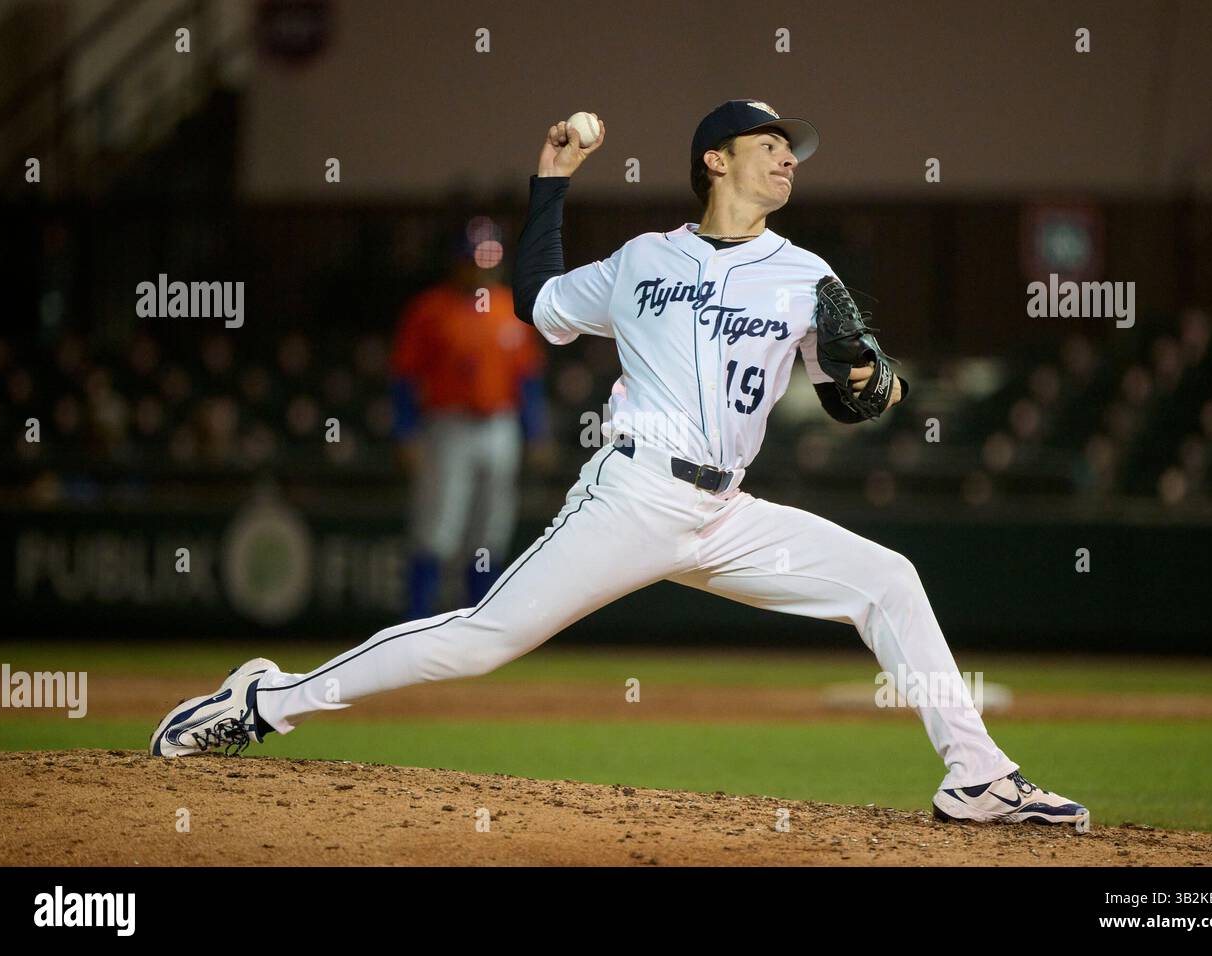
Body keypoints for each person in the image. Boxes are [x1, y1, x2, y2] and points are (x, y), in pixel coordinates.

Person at [150, 100, 1089, 832]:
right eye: (768, 142)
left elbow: (863, 400)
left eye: (790, 146)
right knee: (486, 639)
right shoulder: (644, 259)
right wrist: (551, 181)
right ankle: (265, 701)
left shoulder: (807, 274)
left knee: (889, 579)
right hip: (633, 491)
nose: (787, 155)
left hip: (727, 512)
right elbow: (536, 302)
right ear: (715, 161)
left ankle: (978, 778)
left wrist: (868, 375)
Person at [390, 228, 549, 617]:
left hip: (500, 425)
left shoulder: (510, 306)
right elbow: (403, 377)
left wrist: (536, 431)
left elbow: (527, 379)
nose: (482, 268)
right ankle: (415, 622)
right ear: (458, 262)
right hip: (448, 426)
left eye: (489, 259)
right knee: (437, 527)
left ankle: (480, 622)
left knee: (490, 530)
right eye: (475, 259)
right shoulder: (430, 308)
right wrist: (405, 431)